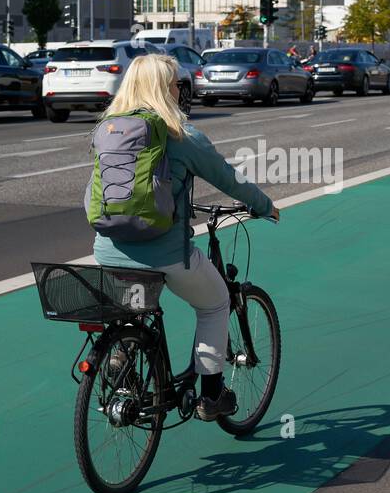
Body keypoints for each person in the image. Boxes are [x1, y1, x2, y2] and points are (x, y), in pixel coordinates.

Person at [93, 54, 281, 421]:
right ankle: (211, 396)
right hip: (164, 253)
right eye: (177, 83)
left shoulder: (109, 130)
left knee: (134, 312)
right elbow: (227, 178)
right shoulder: (180, 134)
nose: (182, 89)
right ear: (166, 89)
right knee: (215, 303)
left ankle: (121, 355)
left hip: (108, 250)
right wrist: (264, 206)